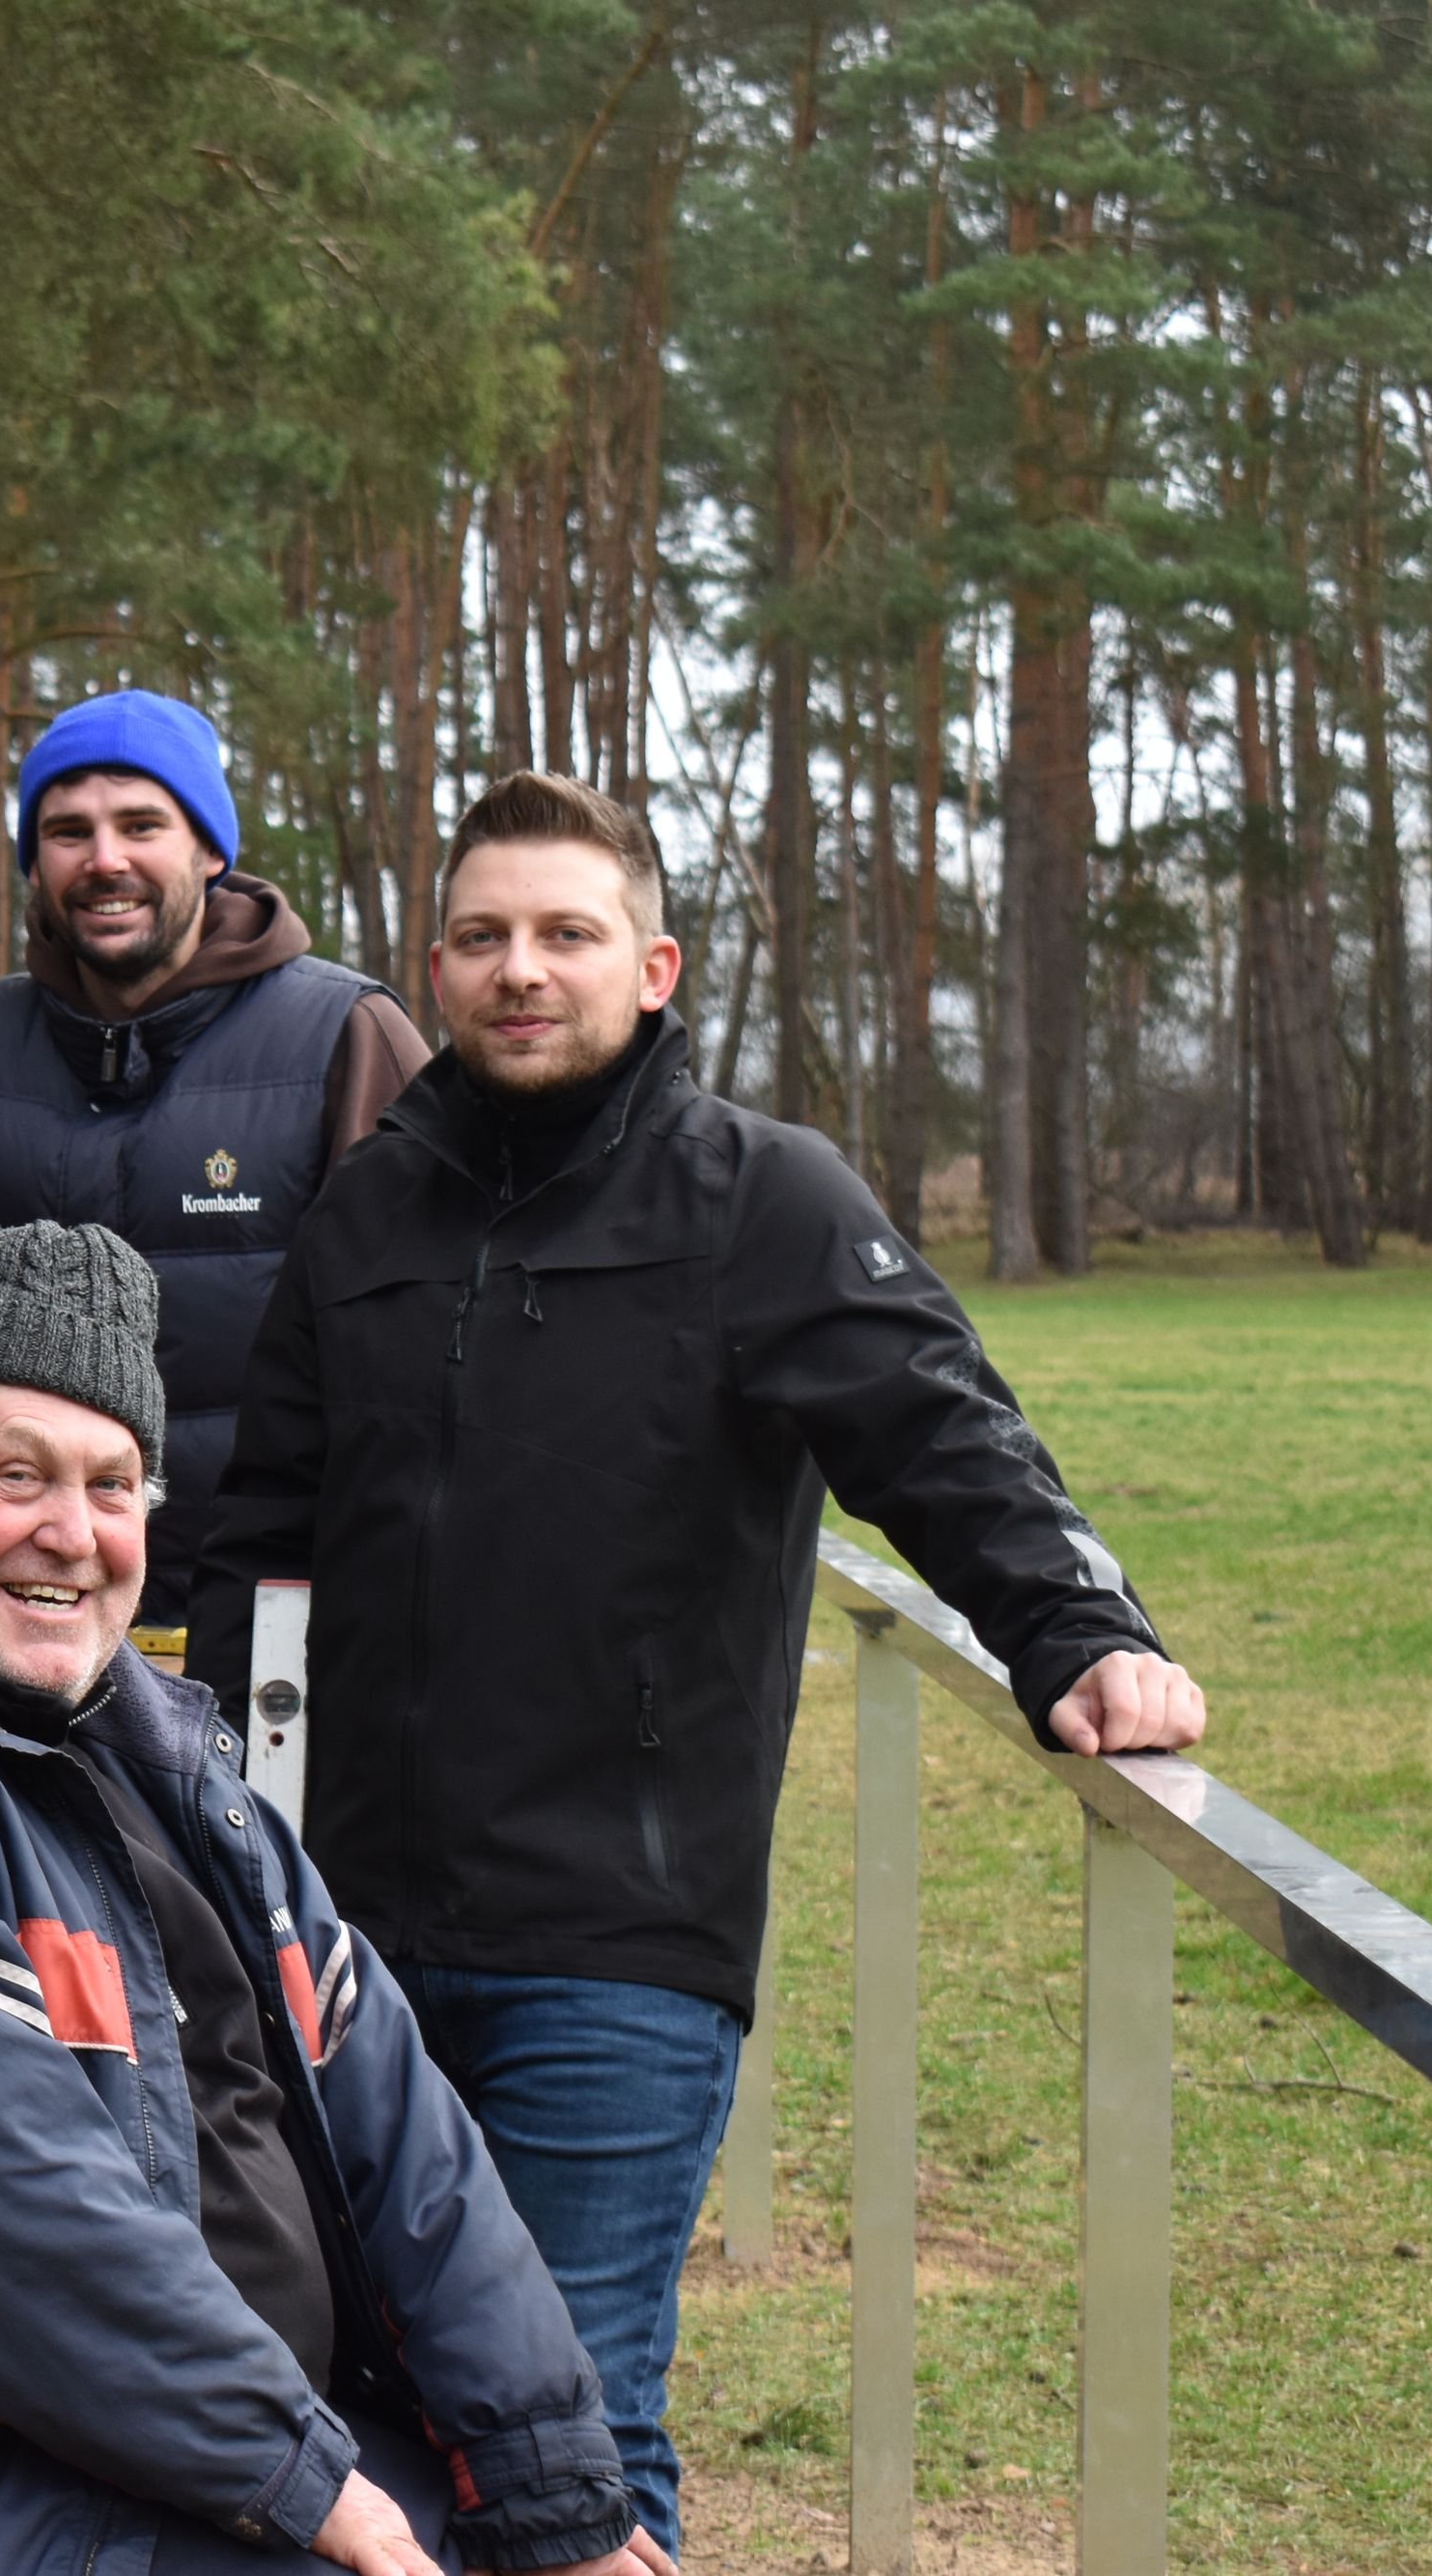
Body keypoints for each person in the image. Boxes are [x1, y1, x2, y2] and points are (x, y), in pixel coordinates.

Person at [188, 770, 1208, 2553]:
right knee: (355, 2404)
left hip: (619, 1945)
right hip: (347, 1936)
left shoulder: (764, 1200)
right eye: (487, 935)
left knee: (568, 2423)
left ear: (651, 967)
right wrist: (224, 1844)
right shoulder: (364, 1215)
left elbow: (943, 1437)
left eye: (567, 936)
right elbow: (264, 1553)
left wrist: (1084, 1629)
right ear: (433, 967)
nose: (525, 969)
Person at [0, 1221, 665, 2576]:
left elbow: (404, 2138)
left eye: (112, 1485)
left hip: (206, 2450)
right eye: (17, 1473)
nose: (71, 1532)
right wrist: (313, 2484)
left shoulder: (167, 1757)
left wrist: (549, 2487)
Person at [0, 687, 429, 1630]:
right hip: (6, 1626)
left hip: (271, 1634)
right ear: (34, 862)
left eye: (141, 825)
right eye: (67, 831)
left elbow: (437, 1345)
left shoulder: (344, 1035)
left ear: (210, 849)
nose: (104, 860)